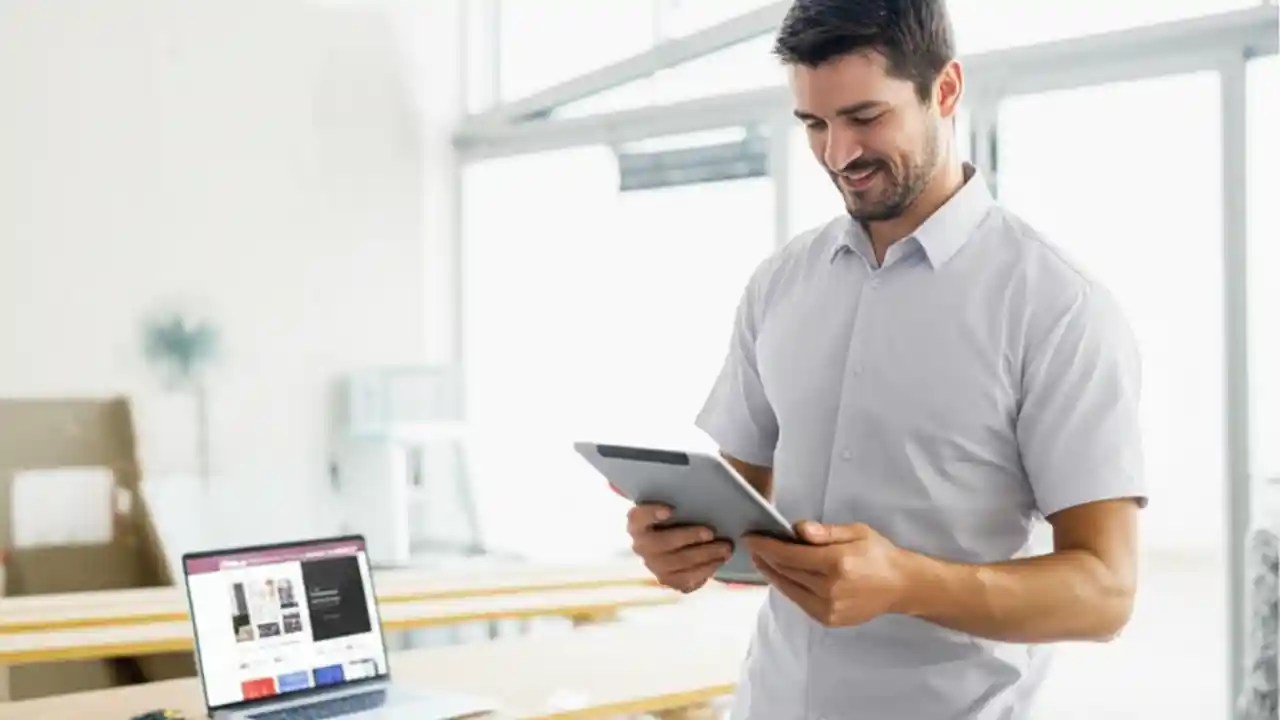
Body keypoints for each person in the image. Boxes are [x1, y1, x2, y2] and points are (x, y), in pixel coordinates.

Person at [625, 1, 1147, 717]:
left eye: (866, 117)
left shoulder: (1054, 304)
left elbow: (1107, 592)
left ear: (947, 90)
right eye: (814, 124)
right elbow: (736, 510)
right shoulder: (779, 284)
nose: (839, 154)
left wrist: (905, 583)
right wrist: (679, 547)